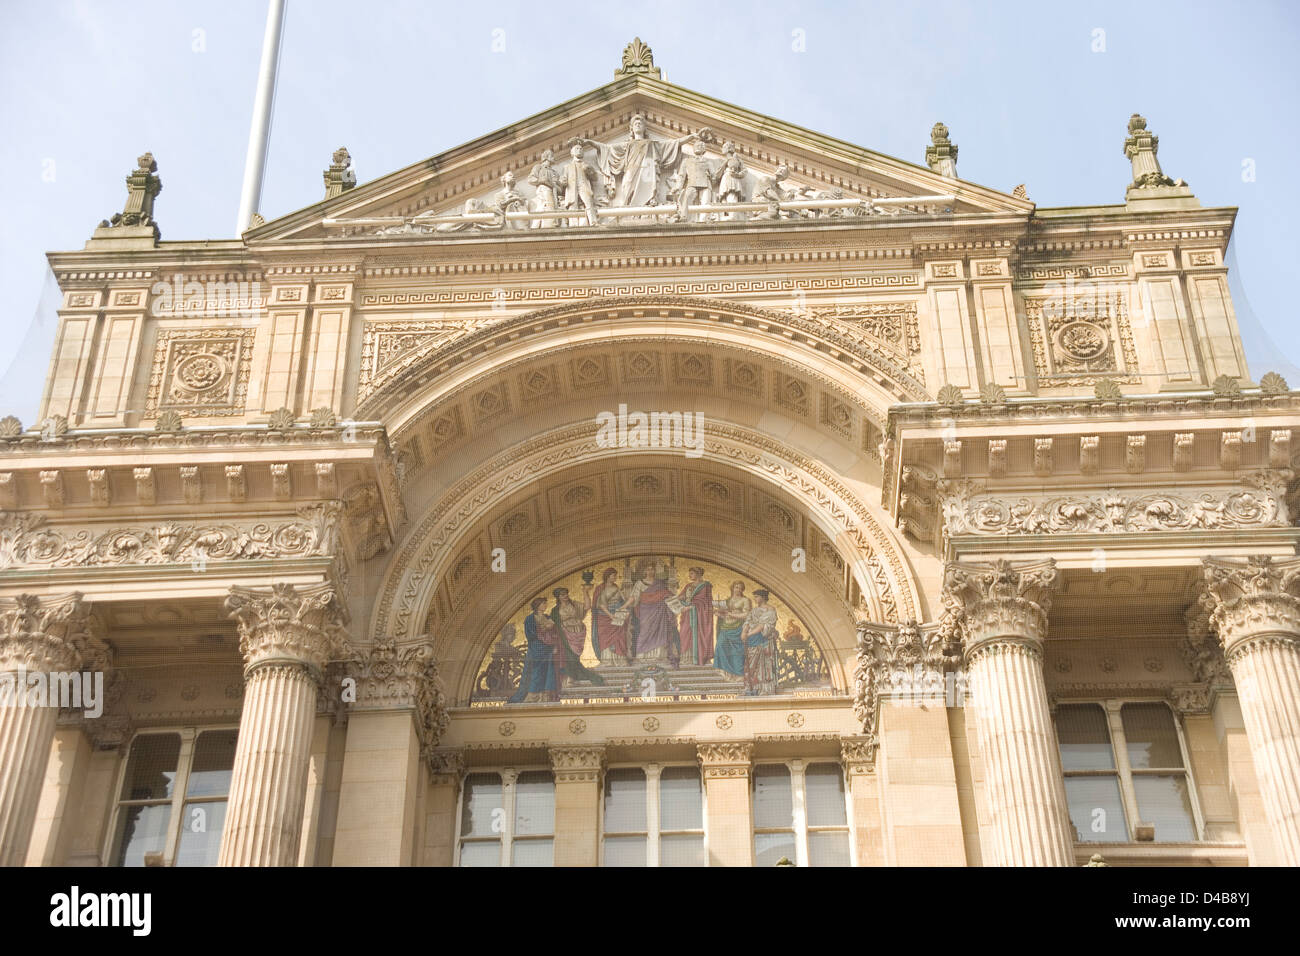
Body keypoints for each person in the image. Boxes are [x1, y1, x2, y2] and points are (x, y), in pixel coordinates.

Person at [623, 558, 679, 666]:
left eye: (652, 569)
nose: (650, 571)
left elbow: (669, 596)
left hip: (659, 612)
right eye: (648, 569)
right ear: (644, 571)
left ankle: (659, 656)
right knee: (644, 632)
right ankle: (642, 656)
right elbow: (633, 597)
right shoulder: (639, 583)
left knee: (660, 632)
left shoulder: (660, 583)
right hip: (646, 612)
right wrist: (623, 606)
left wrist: (678, 605)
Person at [509, 597, 560, 702]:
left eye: (545, 604)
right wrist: (543, 633)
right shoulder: (530, 618)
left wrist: (551, 639)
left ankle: (546, 695)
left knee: (548, 670)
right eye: (543, 604)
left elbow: (555, 630)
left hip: (548, 648)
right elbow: (531, 634)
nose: (545, 606)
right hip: (537, 648)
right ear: (537, 605)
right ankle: (533, 695)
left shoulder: (547, 617)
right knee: (537, 671)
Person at [741, 589, 779, 696]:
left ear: (763, 597)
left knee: (764, 665)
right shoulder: (754, 610)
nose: (755, 599)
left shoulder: (770, 610)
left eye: (757, 596)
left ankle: (765, 688)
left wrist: (749, 634)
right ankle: (751, 686)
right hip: (753, 641)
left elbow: (762, 625)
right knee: (750, 664)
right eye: (755, 597)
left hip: (764, 641)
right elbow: (748, 621)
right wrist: (744, 632)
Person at [590, 568, 630, 664]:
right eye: (613, 576)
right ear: (608, 577)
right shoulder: (601, 589)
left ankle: (620, 660)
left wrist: (625, 610)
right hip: (604, 617)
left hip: (617, 615)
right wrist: (611, 616)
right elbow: (601, 605)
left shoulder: (616, 587)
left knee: (620, 636)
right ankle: (607, 661)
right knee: (605, 639)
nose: (615, 577)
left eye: (615, 575)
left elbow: (622, 601)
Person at [675, 566, 714, 665]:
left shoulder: (705, 586)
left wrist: (693, 605)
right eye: (690, 573)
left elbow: (707, 602)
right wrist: (680, 598)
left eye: (692, 573)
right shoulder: (688, 586)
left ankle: (699, 658)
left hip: (699, 616)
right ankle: (686, 658)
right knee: (684, 633)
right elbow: (681, 596)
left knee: (698, 634)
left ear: (698, 574)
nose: (690, 575)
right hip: (687, 614)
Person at [713, 581, 751, 677]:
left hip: (737, 628)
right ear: (732, 588)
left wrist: (732, 615)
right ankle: (723, 671)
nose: (737, 589)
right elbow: (725, 615)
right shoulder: (727, 601)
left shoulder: (745, 600)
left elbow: (747, 615)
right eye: (736, 587)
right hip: (725, 627)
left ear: (742, 590)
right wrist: (718, 613)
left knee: (736, 652)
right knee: (720, 646)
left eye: (740, 588)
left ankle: (737, 674)